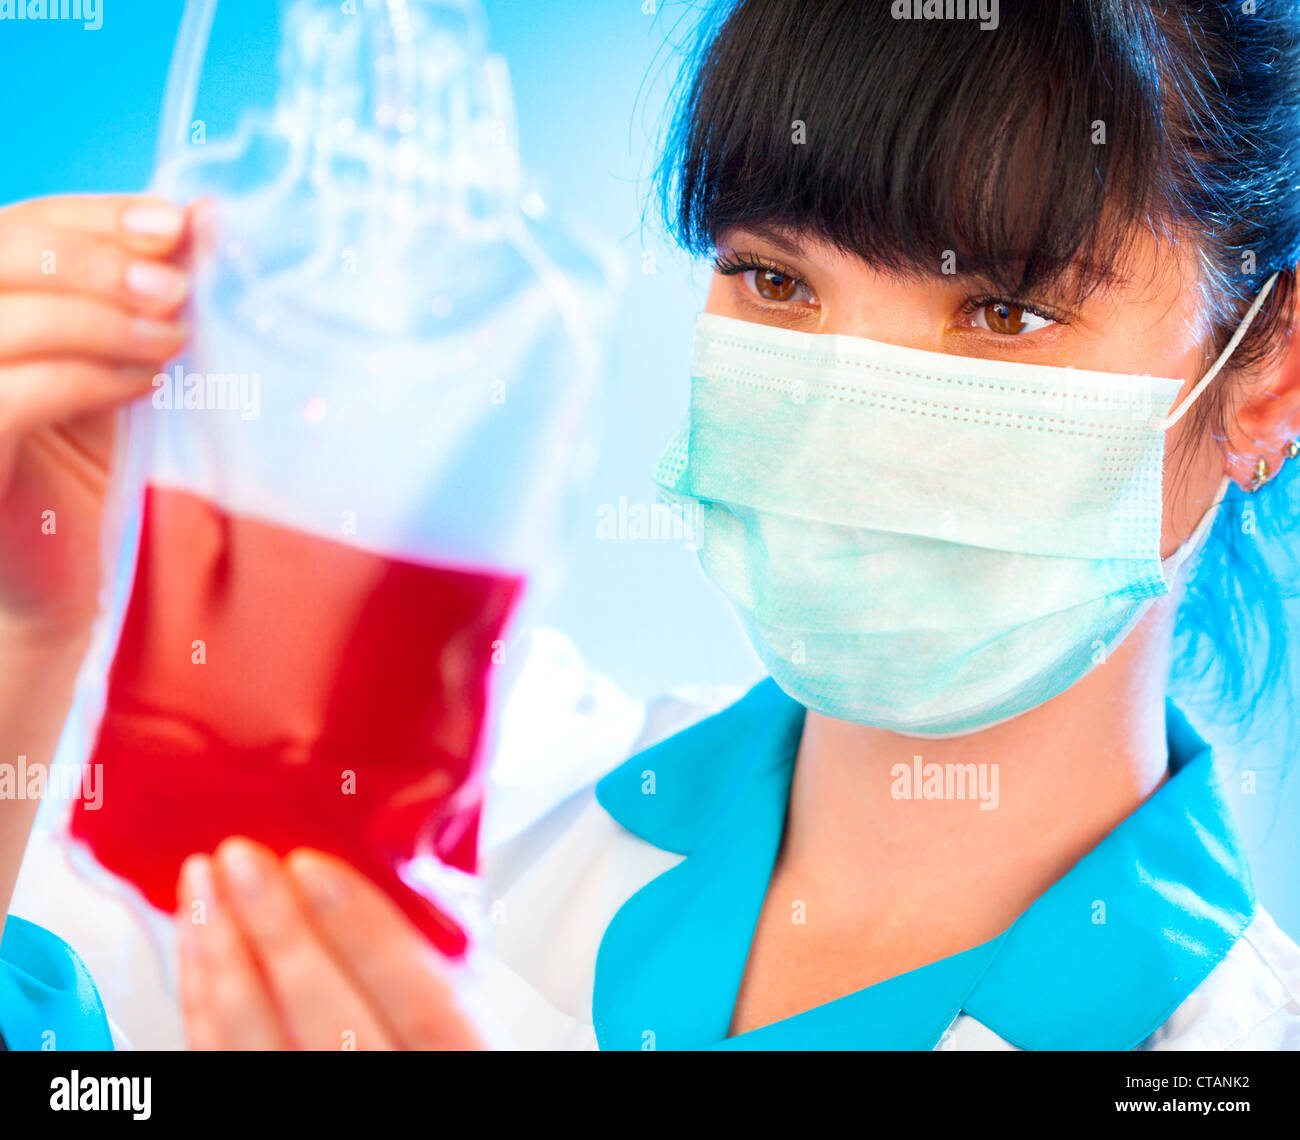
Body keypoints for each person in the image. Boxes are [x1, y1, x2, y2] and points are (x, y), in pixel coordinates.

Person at [4, 0, 1300, 1049]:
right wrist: (27, 635)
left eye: (1005, 312)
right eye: (775, 278)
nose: (849, 419)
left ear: (1271, 374)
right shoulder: (459, 795)